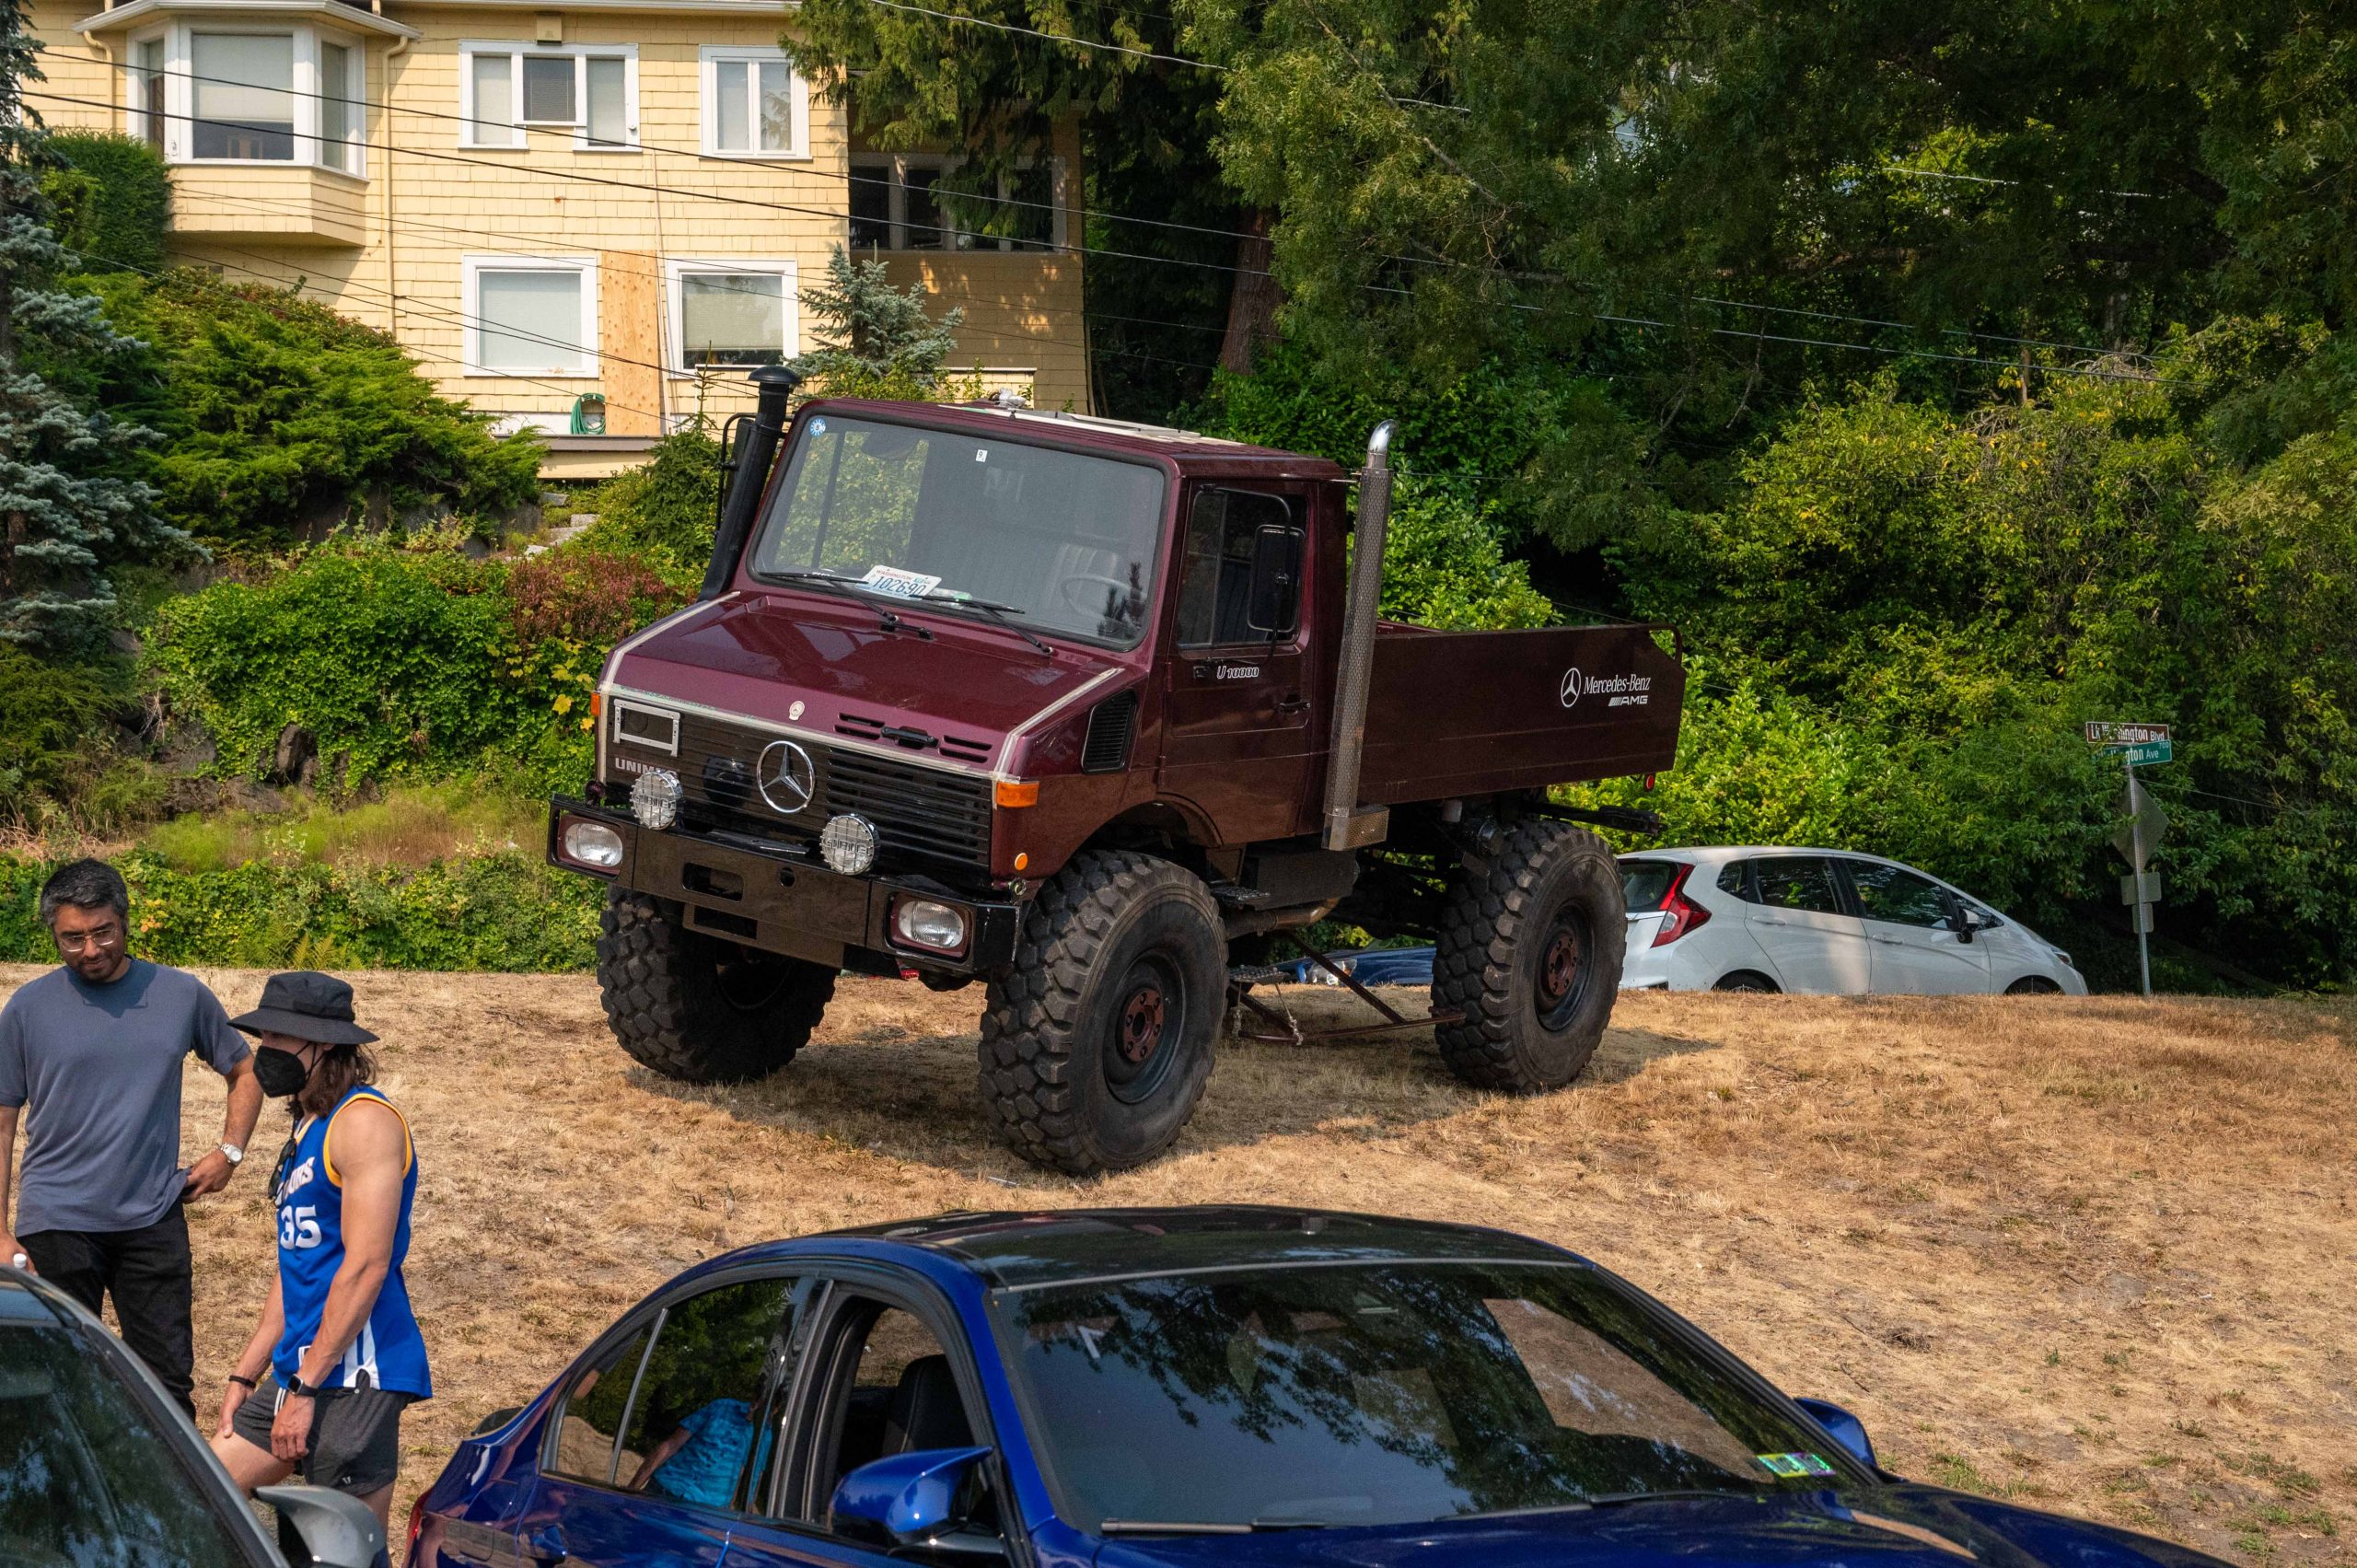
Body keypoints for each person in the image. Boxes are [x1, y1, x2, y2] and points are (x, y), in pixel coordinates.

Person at [0, 858, 261, 1422]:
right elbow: (1, 1123)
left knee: (167, 1386)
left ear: (125, 921)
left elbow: (245, 1070)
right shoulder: (26, 1009)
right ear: (53, 934)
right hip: (57, 1222)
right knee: (55, 1384)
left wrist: (230, 1152)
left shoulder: (180, 994)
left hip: (152, 1218)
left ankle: (169, 1508)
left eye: (102, 933)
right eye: (72, 939)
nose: (90, 950)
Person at [211, 971, 431, 1561]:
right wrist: (244, 1374)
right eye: (265, 1035)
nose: (268, 1050)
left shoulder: (364, 1121)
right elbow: (295, 1267)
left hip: (357, 1372)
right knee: (201, 1491)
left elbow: (365, 1268)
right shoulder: (309, 1123)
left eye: (284, 1038)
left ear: (325, 1045)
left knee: (344, 1552)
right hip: (301, 1370)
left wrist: (306, 1388)